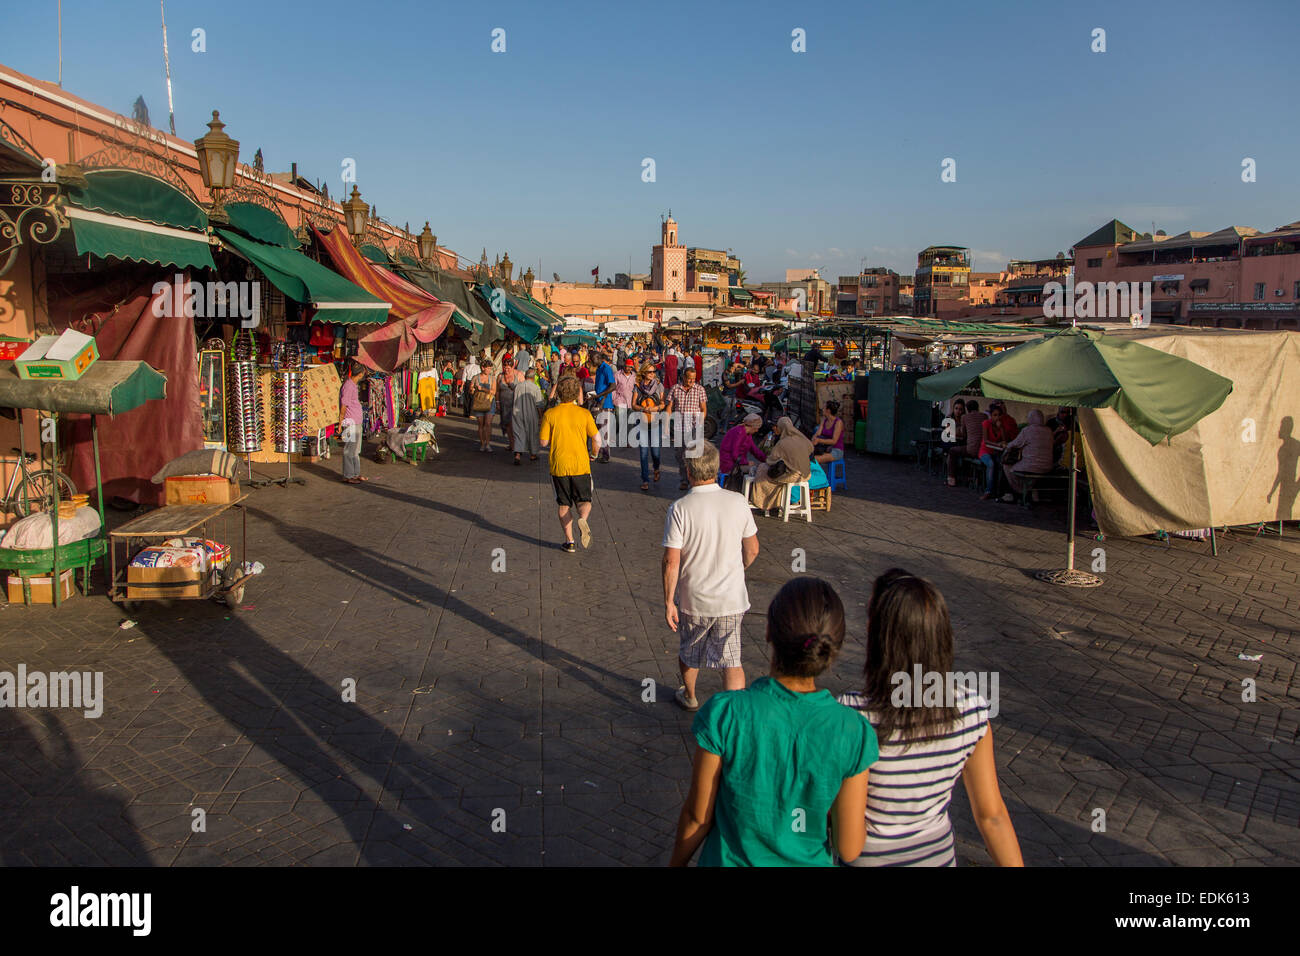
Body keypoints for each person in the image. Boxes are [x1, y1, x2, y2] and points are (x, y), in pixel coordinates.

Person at [670, 576, 877, 867]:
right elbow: (849, 847)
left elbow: (697, 816)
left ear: (768, 632)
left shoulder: (726, 713)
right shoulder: (852, 731)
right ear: (834, 647)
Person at [838, 571, 1023, 867]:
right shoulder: (972, 710)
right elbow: (992, 817)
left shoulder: (852, 715)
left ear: (881, 639)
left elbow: (846, 841)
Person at [662, 442, 758, 710]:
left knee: (690, 652)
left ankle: (690, 695)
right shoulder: (738, 501)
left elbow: (672, 561)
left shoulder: (680, 508)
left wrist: (669, 601)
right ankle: (735, 709)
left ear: (689, 471)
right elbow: (752, 549)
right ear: (715, 469)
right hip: (731, 598)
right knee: (731, 658)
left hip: (695, 599)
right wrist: (738, 569)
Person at [539, 375, 601, 553]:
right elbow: (597, 439)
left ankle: (570, 541)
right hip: (581, 464)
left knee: (563, 504)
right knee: (584, 500)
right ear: (576, 394)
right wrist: (594, 455)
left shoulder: (550, 414)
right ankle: (583, 518)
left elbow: (543, 442)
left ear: (558, 393)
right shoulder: (584, 414)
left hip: (559, 466)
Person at [750, 417, 813, 516]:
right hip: (807, 474)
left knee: (763, 469)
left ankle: (764, 503)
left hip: (792, 476)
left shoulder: (782, 443)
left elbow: (770, 460)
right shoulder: (802, 439)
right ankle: (777, 503)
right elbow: (811, 448)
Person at [665, 365, 708, 491]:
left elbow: (704, 408)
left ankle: (694, 479)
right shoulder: (675, 389)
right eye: (689, 378)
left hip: (694, 427)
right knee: (680, 455)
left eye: (693, 379)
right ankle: (684, 479)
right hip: (679, 427)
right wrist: (666, 423)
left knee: (694, 455)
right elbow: (669, 407)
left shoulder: (699, 389)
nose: (691, 381)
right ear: (683, 377)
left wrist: (701, 422)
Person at [1000, 408, 1055, 501]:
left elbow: (1014, 444)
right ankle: (1031, 491)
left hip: (1030, 466)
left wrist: (1006, 445)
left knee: (1008, 467)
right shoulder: (1049, 431)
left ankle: (1012, 493)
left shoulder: (1027, 430)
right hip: (1047, 466)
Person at [633, 364, 665, 492]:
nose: (652, 374)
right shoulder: (638, 386)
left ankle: (656, 468)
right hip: (642, 421)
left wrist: (655, 408)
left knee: (656, 452)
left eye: (654, 371)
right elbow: (633, 404)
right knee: (643, 453)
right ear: (644, 373)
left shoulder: (659, 385)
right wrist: (643, 409)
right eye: (650, 372)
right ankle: (645, 479)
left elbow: (663, 403)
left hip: (656, 421)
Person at [977, 402, 1018, 500]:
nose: (997, 417)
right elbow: (986, 441)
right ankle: (988, 491)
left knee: (1003, 464)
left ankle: (1002, 490)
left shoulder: (1002, 425)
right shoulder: (986, 423)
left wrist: (1002, 428)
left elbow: (1004, 440)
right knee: (991, 464)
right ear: (991, 416)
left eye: (999, 415)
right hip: (985, 451)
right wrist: (997, 444)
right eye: (995, 415)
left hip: (996, 451)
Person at [338, 361, 368, 484]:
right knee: (349, 450)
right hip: (350, 422)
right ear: (360, 374)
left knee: (355, 450)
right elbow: (344, 405)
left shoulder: (352, 385)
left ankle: (355, 473)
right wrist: (340, 422)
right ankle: (348, 475)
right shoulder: (348, 386)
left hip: (356, 421)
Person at [947, 399, 986, 486]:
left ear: (966, 409)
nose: (958, 411)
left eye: (960, 409)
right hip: (983, 448)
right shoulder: (984, 416)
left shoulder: (965, 417)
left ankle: (951, 477)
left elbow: (963, 434)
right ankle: (970, 477)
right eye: (956, 408)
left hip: (971, 448)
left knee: (953, 451)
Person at [511, 367, 544, 465]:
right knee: (533, 433)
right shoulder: (535, 388)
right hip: (531, 413)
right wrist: (541, 416)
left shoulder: (518, 386)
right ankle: (533, 454)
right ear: (533, 377)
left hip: (517, 412)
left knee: (518, 433)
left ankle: (517, 454)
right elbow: (539, 404)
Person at [592, 348, 617, 463]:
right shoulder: (598, 369)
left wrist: (601, 396)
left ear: (599, 358)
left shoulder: (606, 368)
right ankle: (601, 452)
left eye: (593, 359)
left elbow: (613, 386)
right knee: (599, 430)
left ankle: (606, 455)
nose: (592, 362)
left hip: (605, 404)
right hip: (599, 401)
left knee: (604, 431)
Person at [471, 358, 497, 453]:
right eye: (488, 368)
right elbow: (470, 390)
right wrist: (473, 389)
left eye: (490, 368)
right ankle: (482, 443)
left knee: (488, 423)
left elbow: (493, 392)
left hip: (490, 402)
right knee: (480, 424)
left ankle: (488, 443)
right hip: (479, 403)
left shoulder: (492, 378)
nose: (489, 370)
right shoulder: (475, 378)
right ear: (482, 368)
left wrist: (482, 388)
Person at [497, 354, 518, 452]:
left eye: (508, 368)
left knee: (514, 425)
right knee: (507, 425)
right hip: (504, 404)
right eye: (505, 368)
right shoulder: (500, 376)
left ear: (512, 367)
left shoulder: (518, 375)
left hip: (515, 404)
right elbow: (497, 391)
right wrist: (497, 402)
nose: (506, 370)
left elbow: (522, 389)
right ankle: (511, 444)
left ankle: (516, 445)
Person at [462, 352, 482, 418]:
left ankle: (466, 413)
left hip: (468, 382)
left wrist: (462, 385)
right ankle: (472, 413)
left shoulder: (466, 367)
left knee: (467, 398)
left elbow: (464, 377)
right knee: (473, 398)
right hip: (475, 383)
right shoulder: (478, 367)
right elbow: (479, 376)